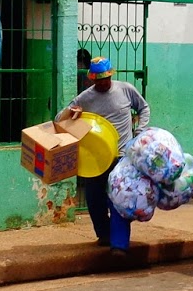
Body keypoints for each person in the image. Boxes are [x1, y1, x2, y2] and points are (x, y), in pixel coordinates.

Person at [57, 56, 151, 247]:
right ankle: (104, 236)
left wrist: (140, 131)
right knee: (94, 201)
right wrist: (72, 111)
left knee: (118, 201)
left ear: (110, 75)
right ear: (92, 78)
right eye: (98, 80)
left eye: (106, 78)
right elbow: (60, 118)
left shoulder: (125, 89)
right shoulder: (86, 97)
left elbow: (144, 108)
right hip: (96, 160)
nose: (103, 83)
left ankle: (119, 244)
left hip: (122, 157)